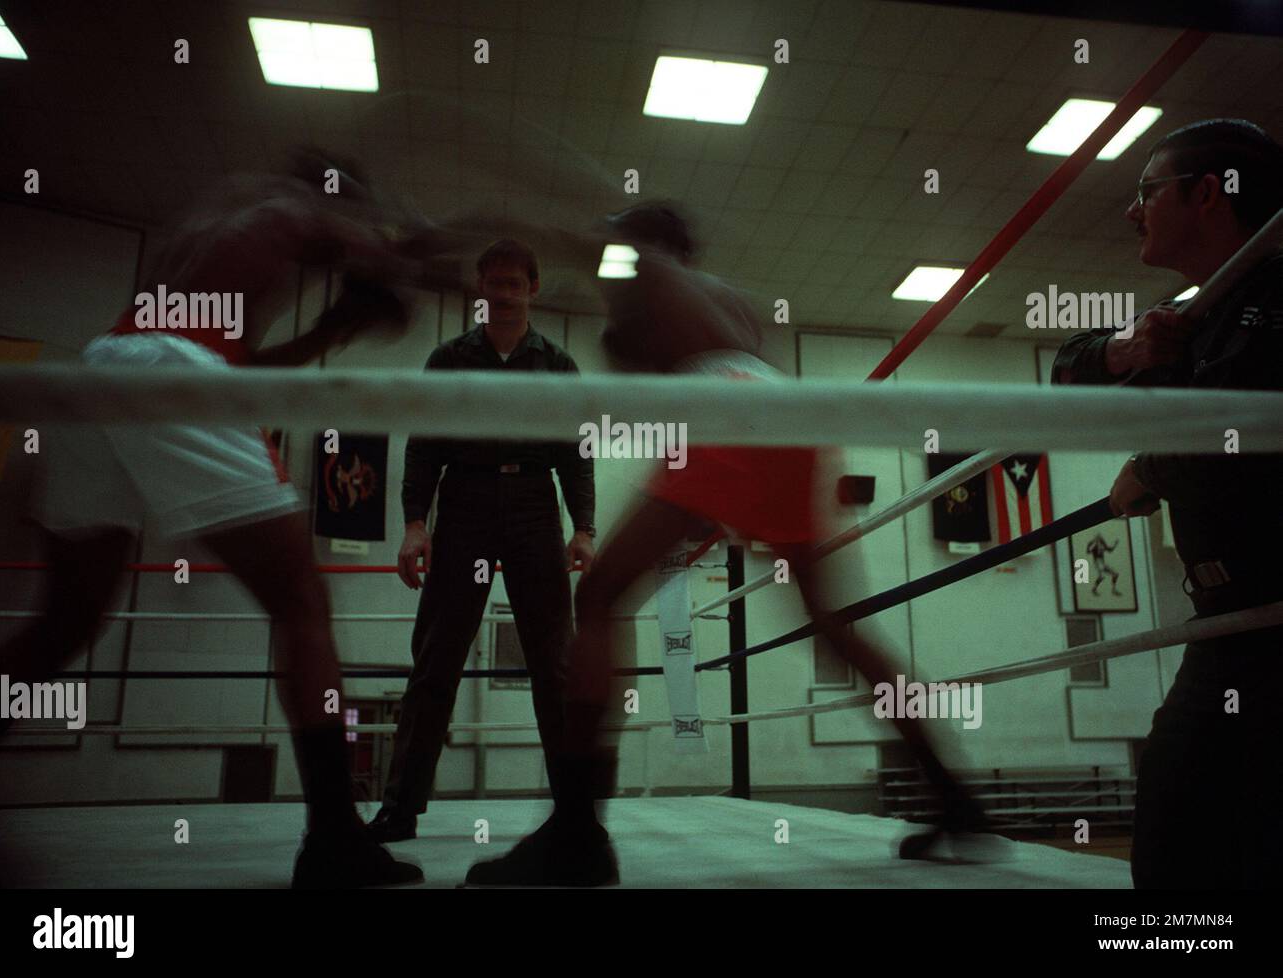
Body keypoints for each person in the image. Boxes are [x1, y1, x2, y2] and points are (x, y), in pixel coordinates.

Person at [461, 203, 987, 886]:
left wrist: (442, 233)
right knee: (836, 626)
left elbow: (565, 236)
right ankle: (956, 797)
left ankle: (576, 832)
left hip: (722, 411)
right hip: (785, 420)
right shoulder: (721, 298)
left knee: (599, 596)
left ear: (644, 240)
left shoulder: (643, 266)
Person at [0, 149, 427, 889]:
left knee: (64, 620)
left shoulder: (222, 227)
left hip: (102, 366)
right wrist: (409, 238)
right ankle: (334, 838)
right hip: (170, 369)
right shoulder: (288, 208)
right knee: (301, 599)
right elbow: (387, 256)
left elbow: (237, 371)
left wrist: (333, 331)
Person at [1052, 119, 1283, 888]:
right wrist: (1126, 349)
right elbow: (1067, 370)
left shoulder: (1273, 302)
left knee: (1191, 826)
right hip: (1226, 623)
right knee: (1179, 825)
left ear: (1209, 194)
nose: (1132, 210)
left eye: (1148, 191)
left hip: (1267, 620)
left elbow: (1232, 453)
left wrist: (1147, 470)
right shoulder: (1197, 312)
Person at [367, 239, 596, 843]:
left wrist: (585, 528)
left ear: (533, 288)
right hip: (464, 503)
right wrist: (414, 523)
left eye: (514, 284)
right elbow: (424, 443)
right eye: (494, 283)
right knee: (436, 657)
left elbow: (577, 452)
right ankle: (399, 809)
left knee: (555, 663)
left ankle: (575, 814)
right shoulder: (448, 360)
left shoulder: (557, 365)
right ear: (481, 288)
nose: (504, 294)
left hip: (534, 507)